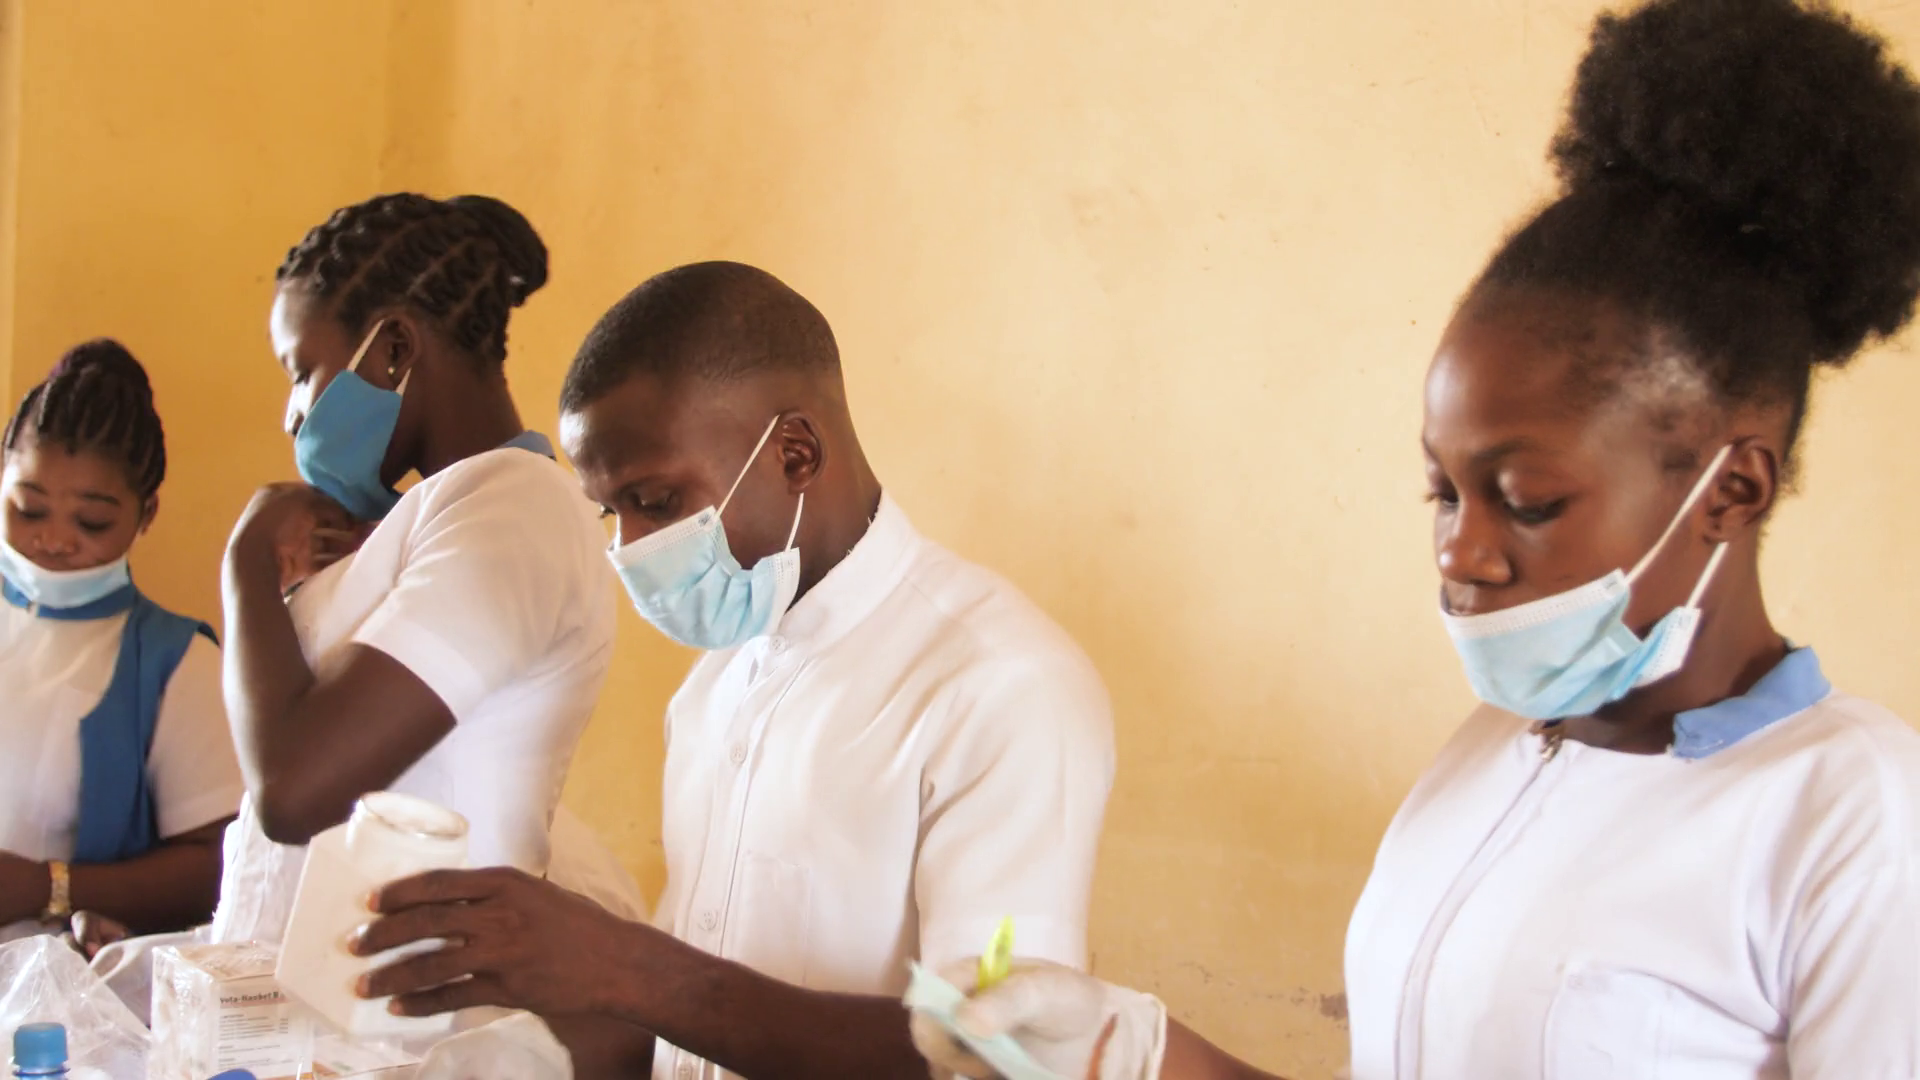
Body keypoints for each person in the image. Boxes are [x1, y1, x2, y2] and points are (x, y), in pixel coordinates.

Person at [910, 1, 1920, 1078]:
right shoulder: (1493, 752)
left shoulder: (1854, 820)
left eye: (1525, 498)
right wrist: (1128, 1054)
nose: (1462, 552)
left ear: (1731, 487)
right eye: (1444, 492)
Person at [351, 260, 1117, 1080]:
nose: (630, 548)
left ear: (794, 452)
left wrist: (625, 965)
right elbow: (688, 1032)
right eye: (613, 511)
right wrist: (502, 1042)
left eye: (659, 500)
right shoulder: (718, 686)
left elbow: (1004, 1056)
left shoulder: (997, 686)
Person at [208, 192, 640, 945]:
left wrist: (245, 563)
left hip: (427, 1041)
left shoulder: (516, 508)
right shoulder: (433, 515)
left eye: (302, 370)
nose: (290, 413)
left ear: (394, 350)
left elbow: (293, 791)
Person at [0, 341, 241, 944]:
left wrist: (45, 888)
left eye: (92, 522)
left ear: (146, 513)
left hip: (52, 998)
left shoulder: (172, 661)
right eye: (28, 510)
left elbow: (219, 865)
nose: (53, 541)